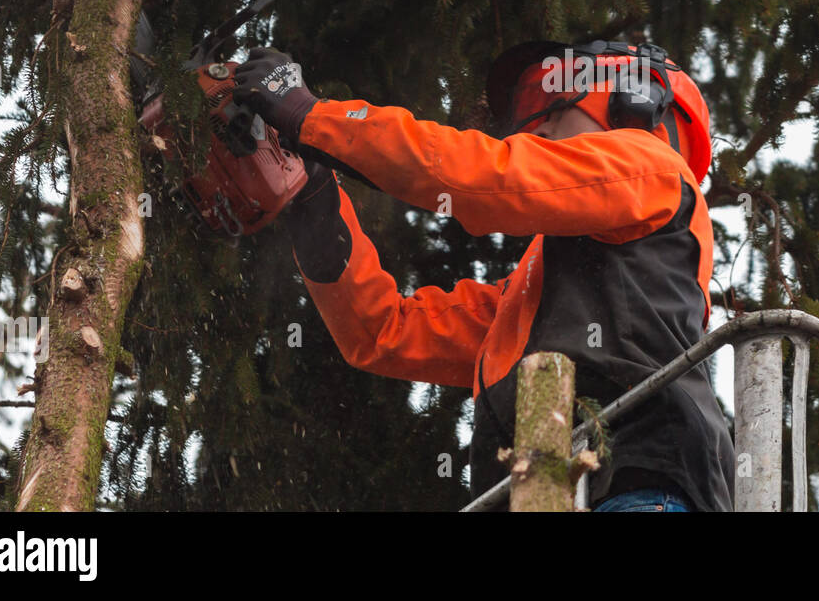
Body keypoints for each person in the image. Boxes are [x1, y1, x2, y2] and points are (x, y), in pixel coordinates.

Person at [232, 39, 735, 512]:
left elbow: (486, 175)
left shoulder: (653, 165)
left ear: (634, 102)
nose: (539, 128)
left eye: (555, 102)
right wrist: (314, 195)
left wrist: (311, 116)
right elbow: (384, 331)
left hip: (640, 489)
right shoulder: (536, 297)